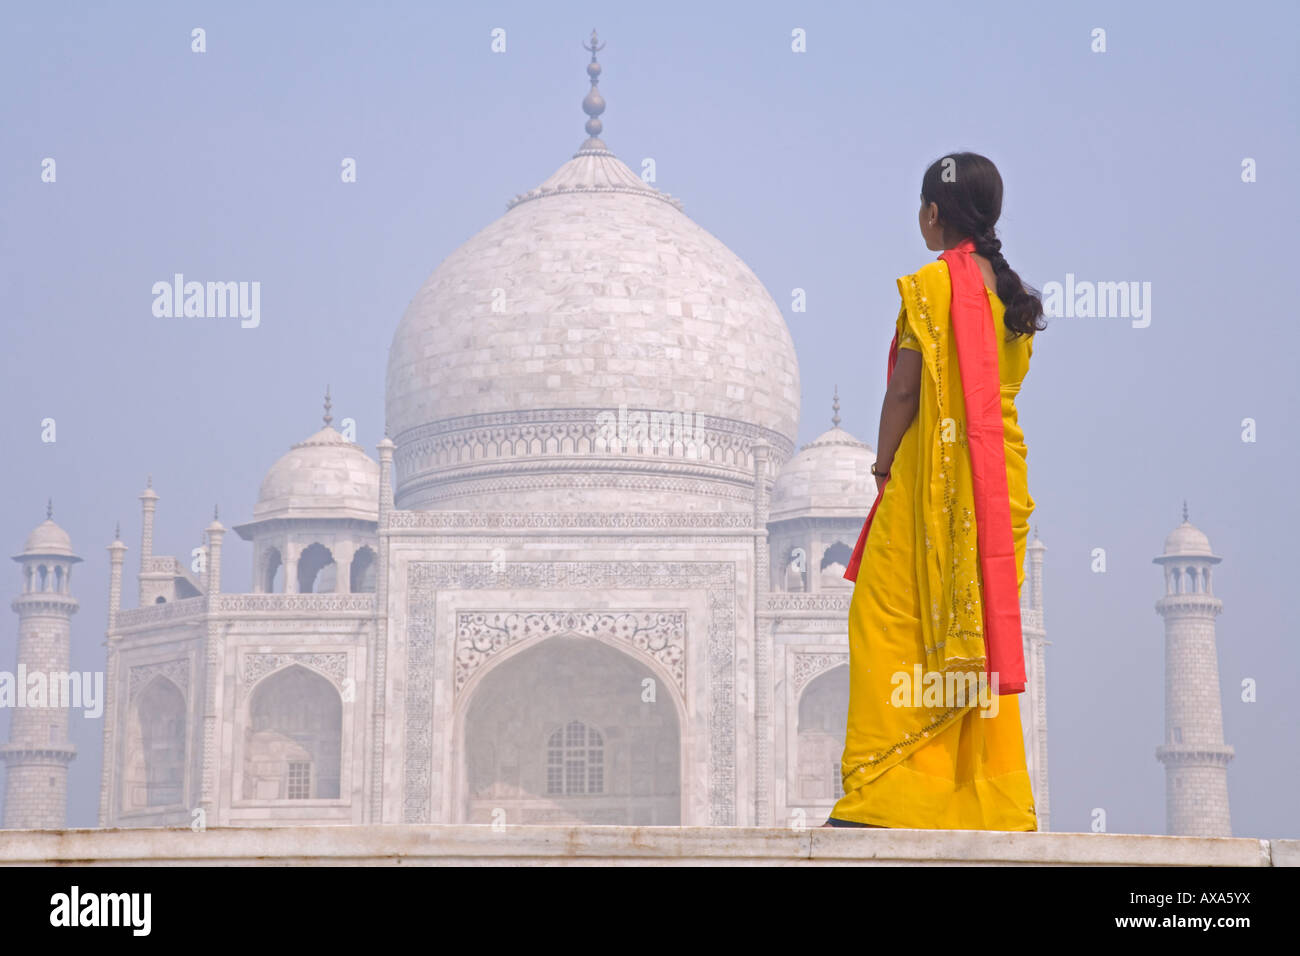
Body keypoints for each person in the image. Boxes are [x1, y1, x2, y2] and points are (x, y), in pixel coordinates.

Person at [822, 152, 1047, 830]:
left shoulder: (929, 286)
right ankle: (984, 799)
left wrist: (883, 464)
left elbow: (902, 389)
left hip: (929, 480)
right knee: (973, 627)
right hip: (995, 484)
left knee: (887, 622)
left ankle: (889, 794)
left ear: (931, 213)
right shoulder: (1014, 295)